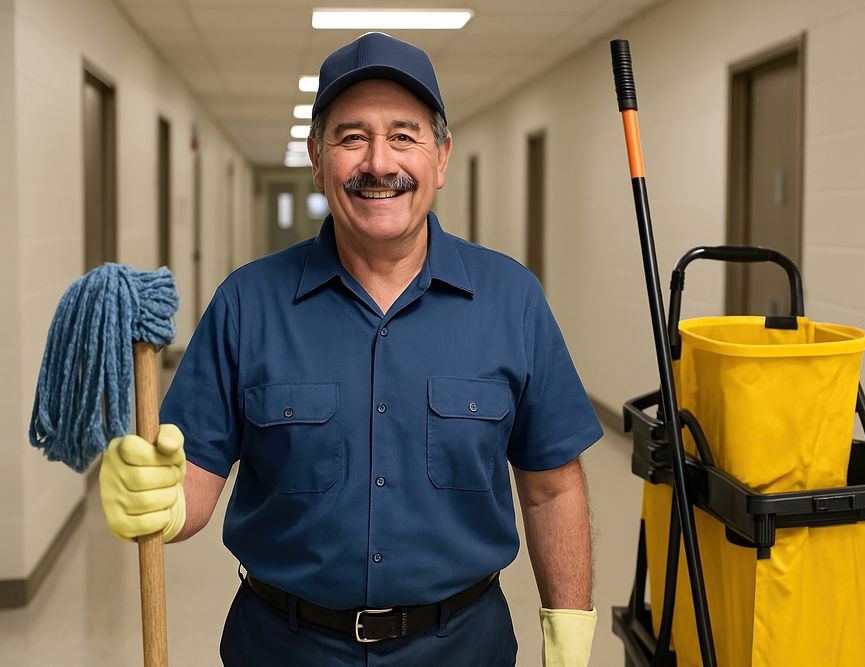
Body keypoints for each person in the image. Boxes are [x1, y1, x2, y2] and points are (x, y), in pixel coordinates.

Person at [98, 32, 603, 666]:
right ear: (317, 158)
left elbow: (552, 488)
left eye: (404, 135)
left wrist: (569, 642)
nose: (378, 163)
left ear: (441, 157)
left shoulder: (513, 300)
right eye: (351, 137)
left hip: (464, 649)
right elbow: (197, 470)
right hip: (283, 648)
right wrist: (162, 501)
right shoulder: (245, 302)